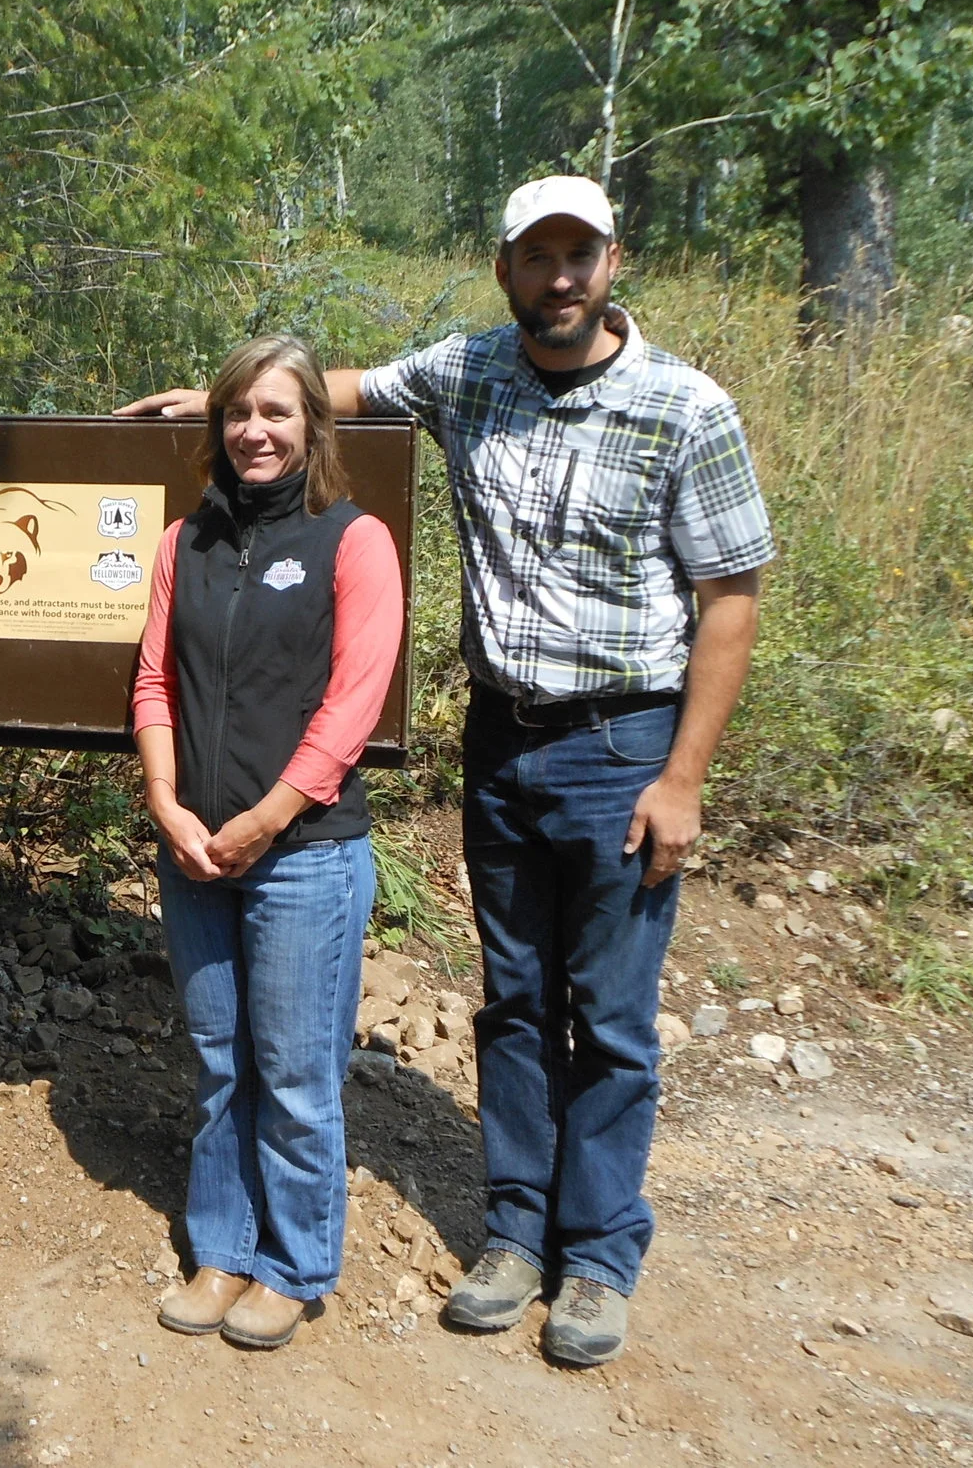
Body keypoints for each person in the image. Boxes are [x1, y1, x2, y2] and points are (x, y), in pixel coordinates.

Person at [120, 175, 771, 1367]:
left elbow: (728, 599)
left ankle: (597, 1259)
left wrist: (683, 777)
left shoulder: (686, 407)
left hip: (626, 739)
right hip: (504, 739)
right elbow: (342, 388)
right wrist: (213, 401)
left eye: (580, 254)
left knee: (612, 1020)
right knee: (515, 1005)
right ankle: (514, 1237)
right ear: (506, 265)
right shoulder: (472, 373)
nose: (559, 276)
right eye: (538, 256)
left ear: (612, 261)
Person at [133, 335, 404, 1352]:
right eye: (239, 412)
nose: (256, 431)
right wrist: (166, 801)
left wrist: (267, 817)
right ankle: (223, 1248)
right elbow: (154, 679)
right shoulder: (183, 543)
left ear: (312, 427)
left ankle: (293, 1264)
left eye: (278, 412)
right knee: (218, 1064)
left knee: (293, 1071)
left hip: (304, 855)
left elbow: (352, 703)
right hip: (193, 847)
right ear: (218, 424)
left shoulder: (353, 539)